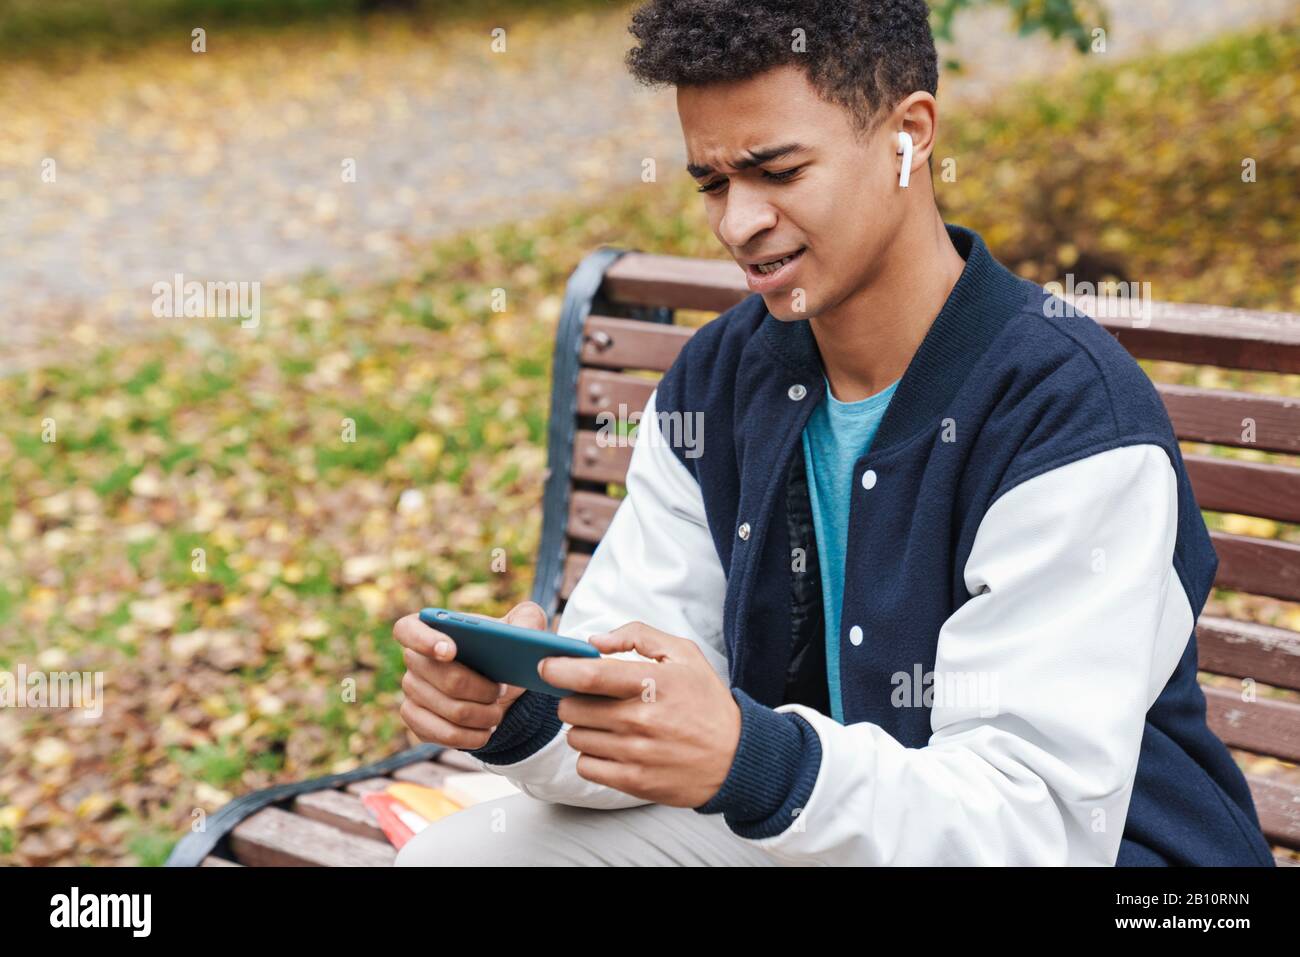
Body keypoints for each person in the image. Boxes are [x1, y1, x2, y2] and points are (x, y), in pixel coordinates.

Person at [392, 0, 1274, 866]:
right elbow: (646, 709)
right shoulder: (718, 382)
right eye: (712, 182)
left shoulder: (1066, 414)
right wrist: (525, 710)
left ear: (909, 135)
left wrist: (755, 760)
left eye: (777, 172)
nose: (738, 223)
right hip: (825, 839)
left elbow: (1030, 826)